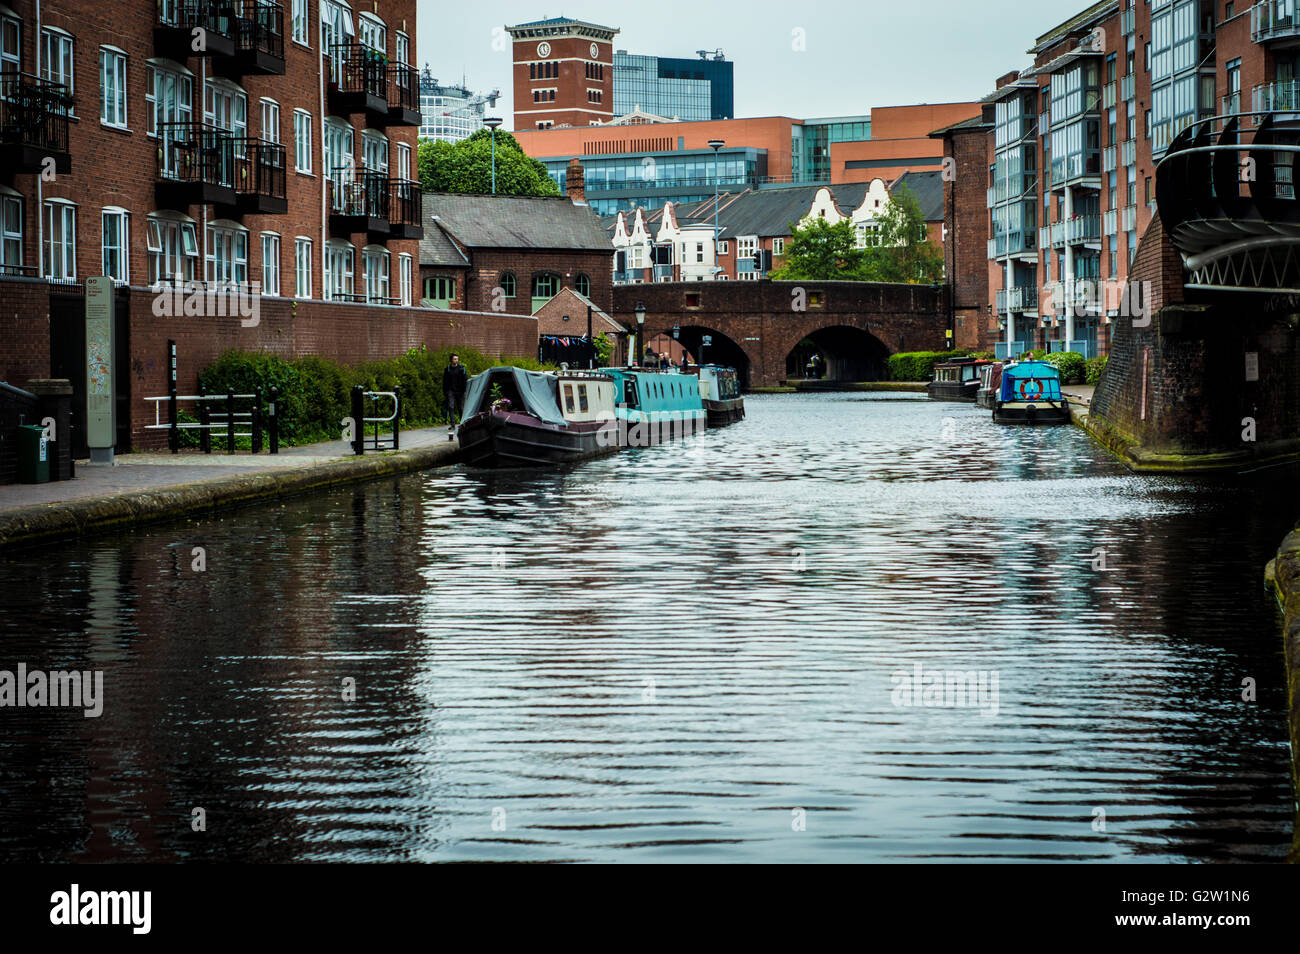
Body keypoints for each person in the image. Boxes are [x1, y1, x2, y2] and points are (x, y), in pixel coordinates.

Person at [443, 353, 468, 427]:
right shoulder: (447, 369)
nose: (456, 360)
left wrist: (465, 391)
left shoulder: (461, 368)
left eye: (457, 359)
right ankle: (452, 424)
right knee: (451, 407)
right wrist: (445, 391)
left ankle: (462, 423)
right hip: (451, 391)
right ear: (451, 360)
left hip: (460, 391)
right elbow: (444, 381)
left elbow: (465, 380)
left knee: (460, 408)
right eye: (455, 359)